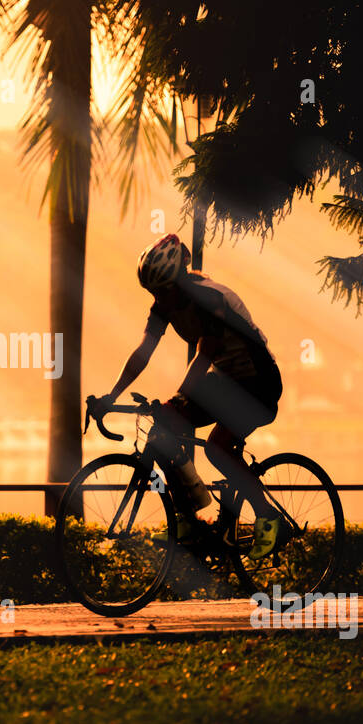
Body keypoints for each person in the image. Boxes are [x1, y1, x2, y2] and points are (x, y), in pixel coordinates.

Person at [99, 234, 284, 558]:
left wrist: (181, 398)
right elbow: (143, 352)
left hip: (258, 382)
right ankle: (188, 518)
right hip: (228, 382)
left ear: (177, 283)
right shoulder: (163, 305)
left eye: (163, 291)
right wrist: (110, 397)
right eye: (153, 293)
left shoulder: (208, 299)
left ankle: (270, 520)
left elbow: (205, 354)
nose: (159, 299)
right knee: (166, 427)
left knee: (216, 448)